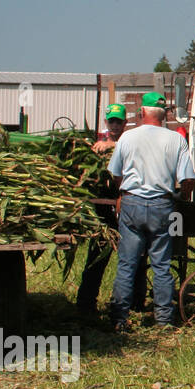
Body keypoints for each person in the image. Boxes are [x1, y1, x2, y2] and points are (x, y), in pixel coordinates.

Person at [107, 92, 195, 330]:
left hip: (132, 204)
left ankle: (119, 319)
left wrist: (122, 191)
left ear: (142, 112)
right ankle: (164, 320)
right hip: (161, 206)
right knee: (161, 265)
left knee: (127, 264)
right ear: (164, 114)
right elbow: (188, 179)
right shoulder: (176, 139)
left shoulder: (127, 137)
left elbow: (115, 173)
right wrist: (182, 198)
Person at [76, 104, 147, 317]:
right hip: (105, 210)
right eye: (112, 121)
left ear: (126, 123)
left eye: (119, 121)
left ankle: (135, 304)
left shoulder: (131, 144)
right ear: (106, 123)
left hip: (128, 206)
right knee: (97, 257)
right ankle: (86, 303)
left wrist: (113, 147)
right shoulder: (97, 147)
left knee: (136, 257)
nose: (115, 125)